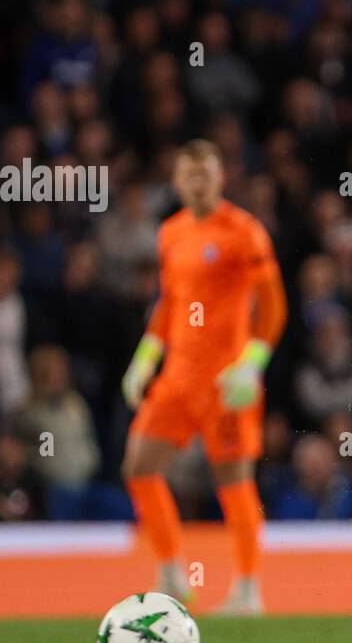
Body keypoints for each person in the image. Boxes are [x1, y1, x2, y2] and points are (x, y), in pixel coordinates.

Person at [120, 140, 287, 615]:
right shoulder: (171, 232)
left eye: (207, 173)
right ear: (176, 181)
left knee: (233, 480)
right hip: (178, 377)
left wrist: (251, 364)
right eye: (189, 174)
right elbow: (171, 302)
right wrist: (145, 357)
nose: (198, 182)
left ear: (221, 178)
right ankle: (172, 570)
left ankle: (249, 587)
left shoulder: (243, 231)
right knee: (139, 467)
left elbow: (274, 305)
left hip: (225, 381)